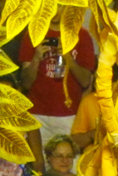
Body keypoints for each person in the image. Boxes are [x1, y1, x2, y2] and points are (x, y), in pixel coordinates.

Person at [18, 17, 96, 145]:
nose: (55, 10)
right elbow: (26, 83)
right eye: (52, 4)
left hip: (69, 115)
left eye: (60, 5)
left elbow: (86, 81)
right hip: (36, 113)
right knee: (38, 162)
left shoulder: (81, 35)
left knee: (67, 161)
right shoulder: (33, 34)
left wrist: (68, 58)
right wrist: (37, 57)